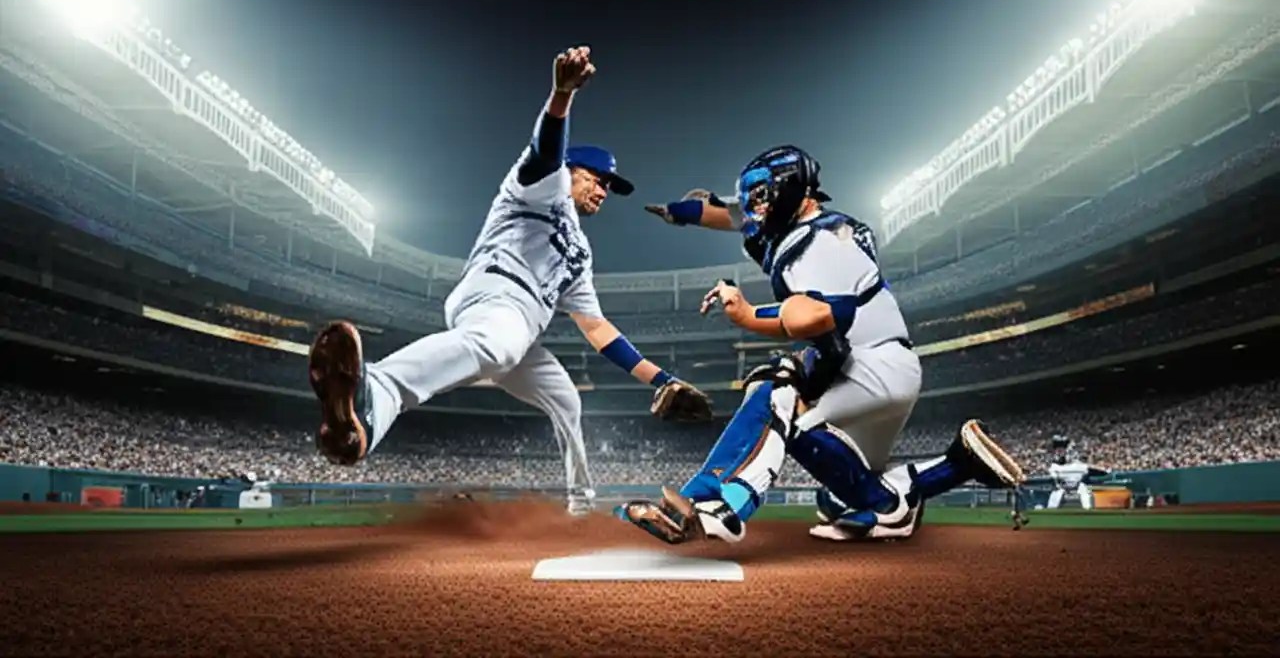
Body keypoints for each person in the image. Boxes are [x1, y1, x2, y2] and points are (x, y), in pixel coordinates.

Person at [307, 46, 705, 515]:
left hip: (521, 327)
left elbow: (597, 328)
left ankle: (580, 505)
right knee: (501, 343)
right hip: (494, 295)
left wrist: (661, 379)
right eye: (596, 179)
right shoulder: (543, 188)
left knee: (565, 399)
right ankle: (377, 389)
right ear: (570, 174)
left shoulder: (581, 253)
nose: (603, 190)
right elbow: (545, 151)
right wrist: (561, 96)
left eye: (609, 187)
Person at [618, 145, 1026, 543]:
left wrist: (746, 313)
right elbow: (733, 214)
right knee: (838, 498)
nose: (752, 210)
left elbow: (821, 316)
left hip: (870, 367)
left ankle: (718, 501)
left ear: (792, 191)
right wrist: (681, 213)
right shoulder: (819, 228)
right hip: (878, 367)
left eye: (761, 198)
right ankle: (954, 466)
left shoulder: (819, 240)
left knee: (774, 389)